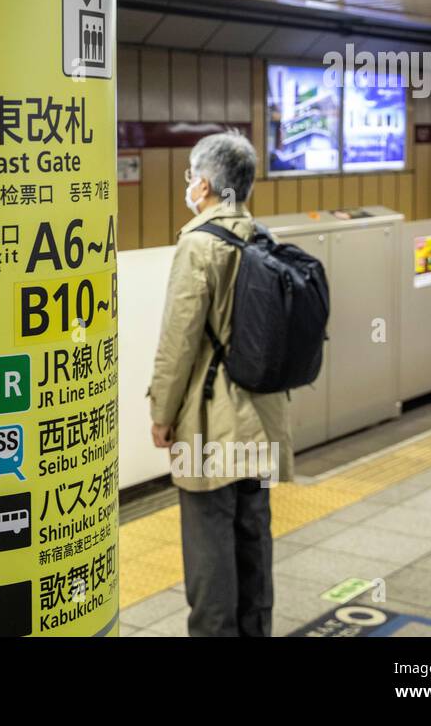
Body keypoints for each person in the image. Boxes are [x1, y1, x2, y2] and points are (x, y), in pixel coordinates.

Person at [147, 131, 293, 637]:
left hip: (211, 425)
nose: (189, 185)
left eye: (191, 176)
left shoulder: (199, 244)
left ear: (205, 184)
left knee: (210, 551)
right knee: (253, 538)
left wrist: (161, 414)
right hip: (263, 418)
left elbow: (178, 342)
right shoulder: (264, 237)